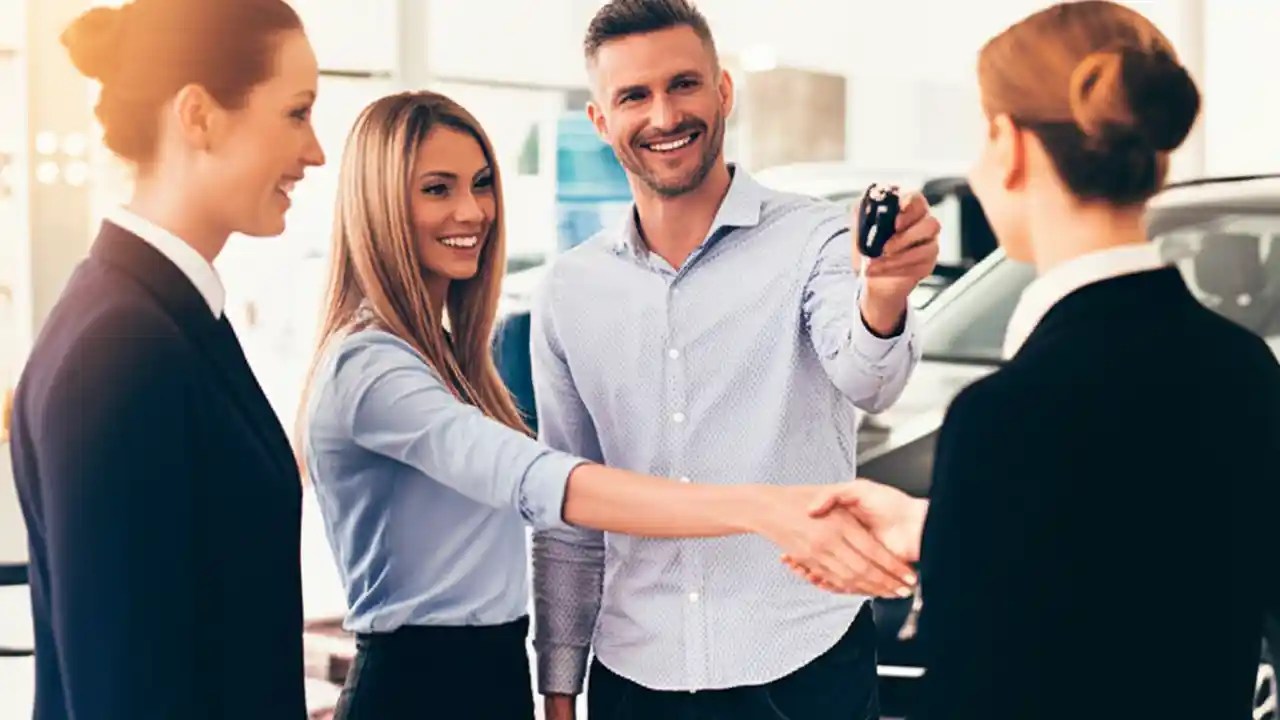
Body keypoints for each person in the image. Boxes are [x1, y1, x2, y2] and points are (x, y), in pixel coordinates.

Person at [298, 90, 918, 720]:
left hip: (491, 678)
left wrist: (555, 689)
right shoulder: (369, 368)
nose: (472, 210)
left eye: (482, 183)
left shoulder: (449, 357)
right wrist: (766, 505)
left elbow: (868, 374)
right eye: (437, 188)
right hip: (416, 691)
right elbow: (545, 483)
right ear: (379, 205)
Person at [795, 2, 1280, 718]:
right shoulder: (1244, 370)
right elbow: (1150, 555)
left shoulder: (1005, 416)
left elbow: (977, 694)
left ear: (1008, 143)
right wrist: (944, 525)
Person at [530, 1, 942, 718]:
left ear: (722, 90)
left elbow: (868, 378)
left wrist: (882, 294)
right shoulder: (569, 290)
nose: (664, 115)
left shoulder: (814, 238)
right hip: (637, 677)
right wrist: (559, 689)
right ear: (602, 121)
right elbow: (570, 507)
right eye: (634, 95)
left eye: (683, 84)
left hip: (803, 666)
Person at [7, 1, 326, 717]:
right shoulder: (121, 348)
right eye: (297, 113)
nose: (315, 152)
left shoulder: (161, 317)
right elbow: (123, 689)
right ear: (199, 116)